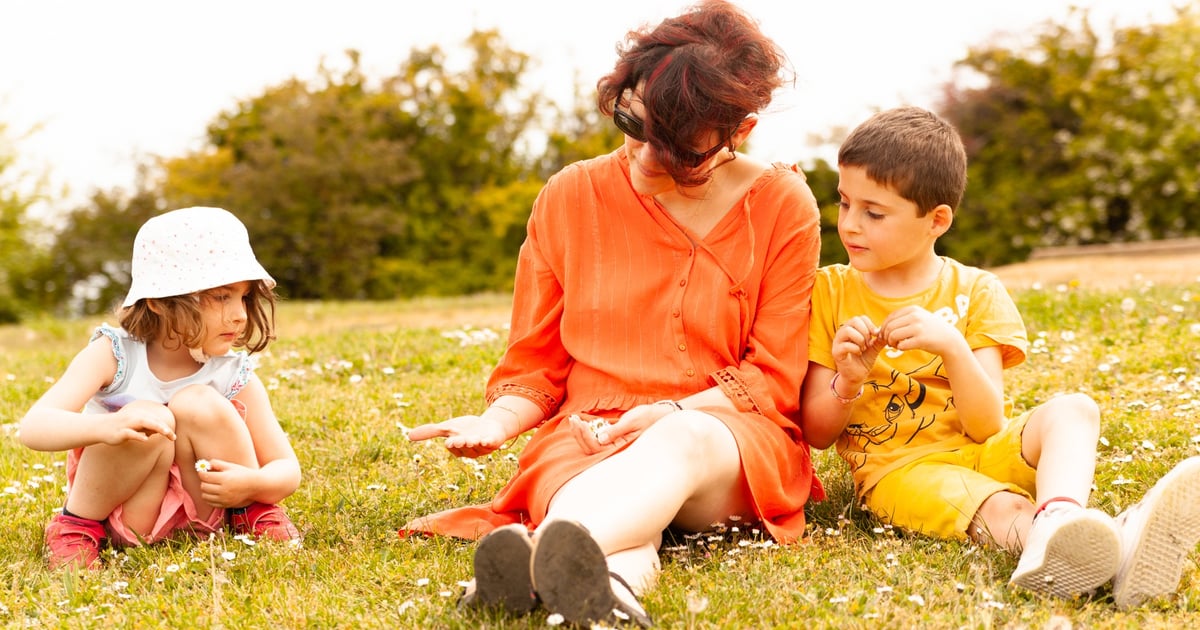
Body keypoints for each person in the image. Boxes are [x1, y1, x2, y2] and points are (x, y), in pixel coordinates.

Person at [401, 1, 824, 625]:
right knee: (626, 526)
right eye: (635, 126)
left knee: (677, 438)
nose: (645, 161)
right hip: (589, 437)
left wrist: (670, 411)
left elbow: (773, 380)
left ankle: (531, 562)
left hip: (721, 439)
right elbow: (537, 365)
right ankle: (611, 595)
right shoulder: (570, 196)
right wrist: (496, 421)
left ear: (741, 130)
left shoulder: (783, 205)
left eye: (681, 153)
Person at [799, 105, 1200, 608]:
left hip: (981, 448)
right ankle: (1110, 545)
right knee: (1001, 506)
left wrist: (950, 344)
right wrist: (849, 379)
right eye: (844, 203)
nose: (850, 225)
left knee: (1075, 409)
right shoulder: (829, 292)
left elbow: (987, 424)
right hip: (900, 472)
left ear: (936, 220)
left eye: (874, 212)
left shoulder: (977, 290)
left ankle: (1059, 515)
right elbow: (815, 433)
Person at [19, 206, 302, 570]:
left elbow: (286, 468)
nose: (240, 315)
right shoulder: (114, 354)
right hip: (132, 514)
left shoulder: (231, 372)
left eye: (244, 298)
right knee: (146, 419)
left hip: (208, 513)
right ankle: (76, 526)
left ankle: (255, 514)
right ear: (159, 301)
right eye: (221, 297)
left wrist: (254, 484)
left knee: (199, 402)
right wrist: (109, 426)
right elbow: (34, 427)